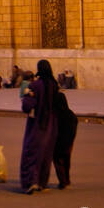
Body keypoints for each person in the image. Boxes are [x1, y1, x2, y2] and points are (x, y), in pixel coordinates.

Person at [19, 59, 60, 192]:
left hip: (37, 124)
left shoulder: (35, 86)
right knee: (45, 154)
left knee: (31, 152)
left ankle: (30, 182)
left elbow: (27, 106)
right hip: (51, 125)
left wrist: (27, 95)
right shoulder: (54, 85)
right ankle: (42, 182)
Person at [53, 89, 78, 187]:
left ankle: (63, 181)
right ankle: (67, 179)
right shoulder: (71, 114)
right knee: (67, 162)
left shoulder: (55, 115)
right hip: (69, 142)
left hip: (58, 142)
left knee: (58, 162)